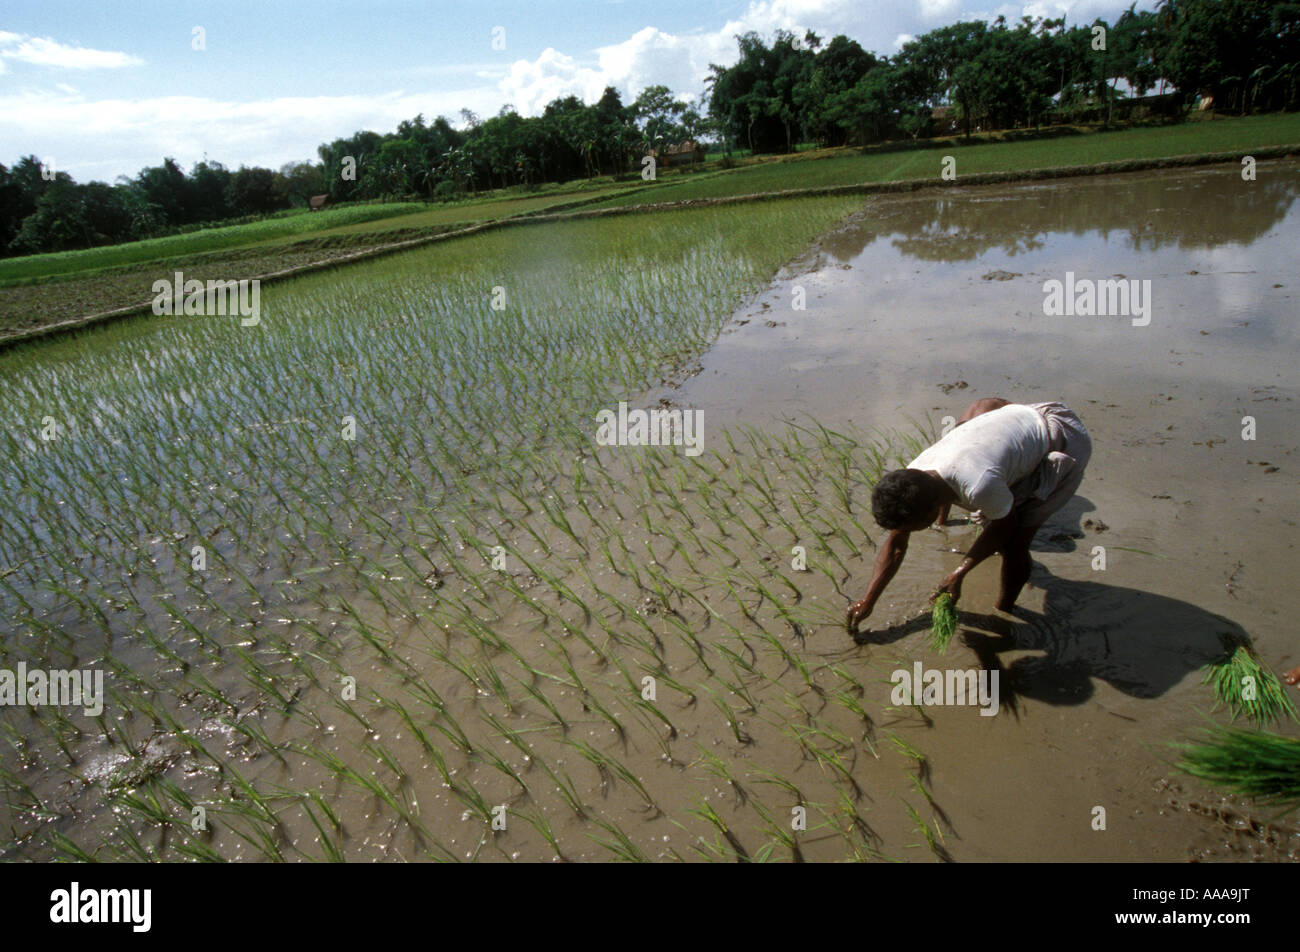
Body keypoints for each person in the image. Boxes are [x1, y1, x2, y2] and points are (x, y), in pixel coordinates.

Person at [845, 398, 1091, 636]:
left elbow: (1006, 526)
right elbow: (897, 545)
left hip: (1062, 437)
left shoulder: (978, 484)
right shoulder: (915, 474)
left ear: (931, 510)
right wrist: (869, 600)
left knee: (1016, 543)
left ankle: (1004, 612)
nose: (909, 532)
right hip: (1018, 425)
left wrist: (959, 573)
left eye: (915, 527)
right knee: (1002, 508)